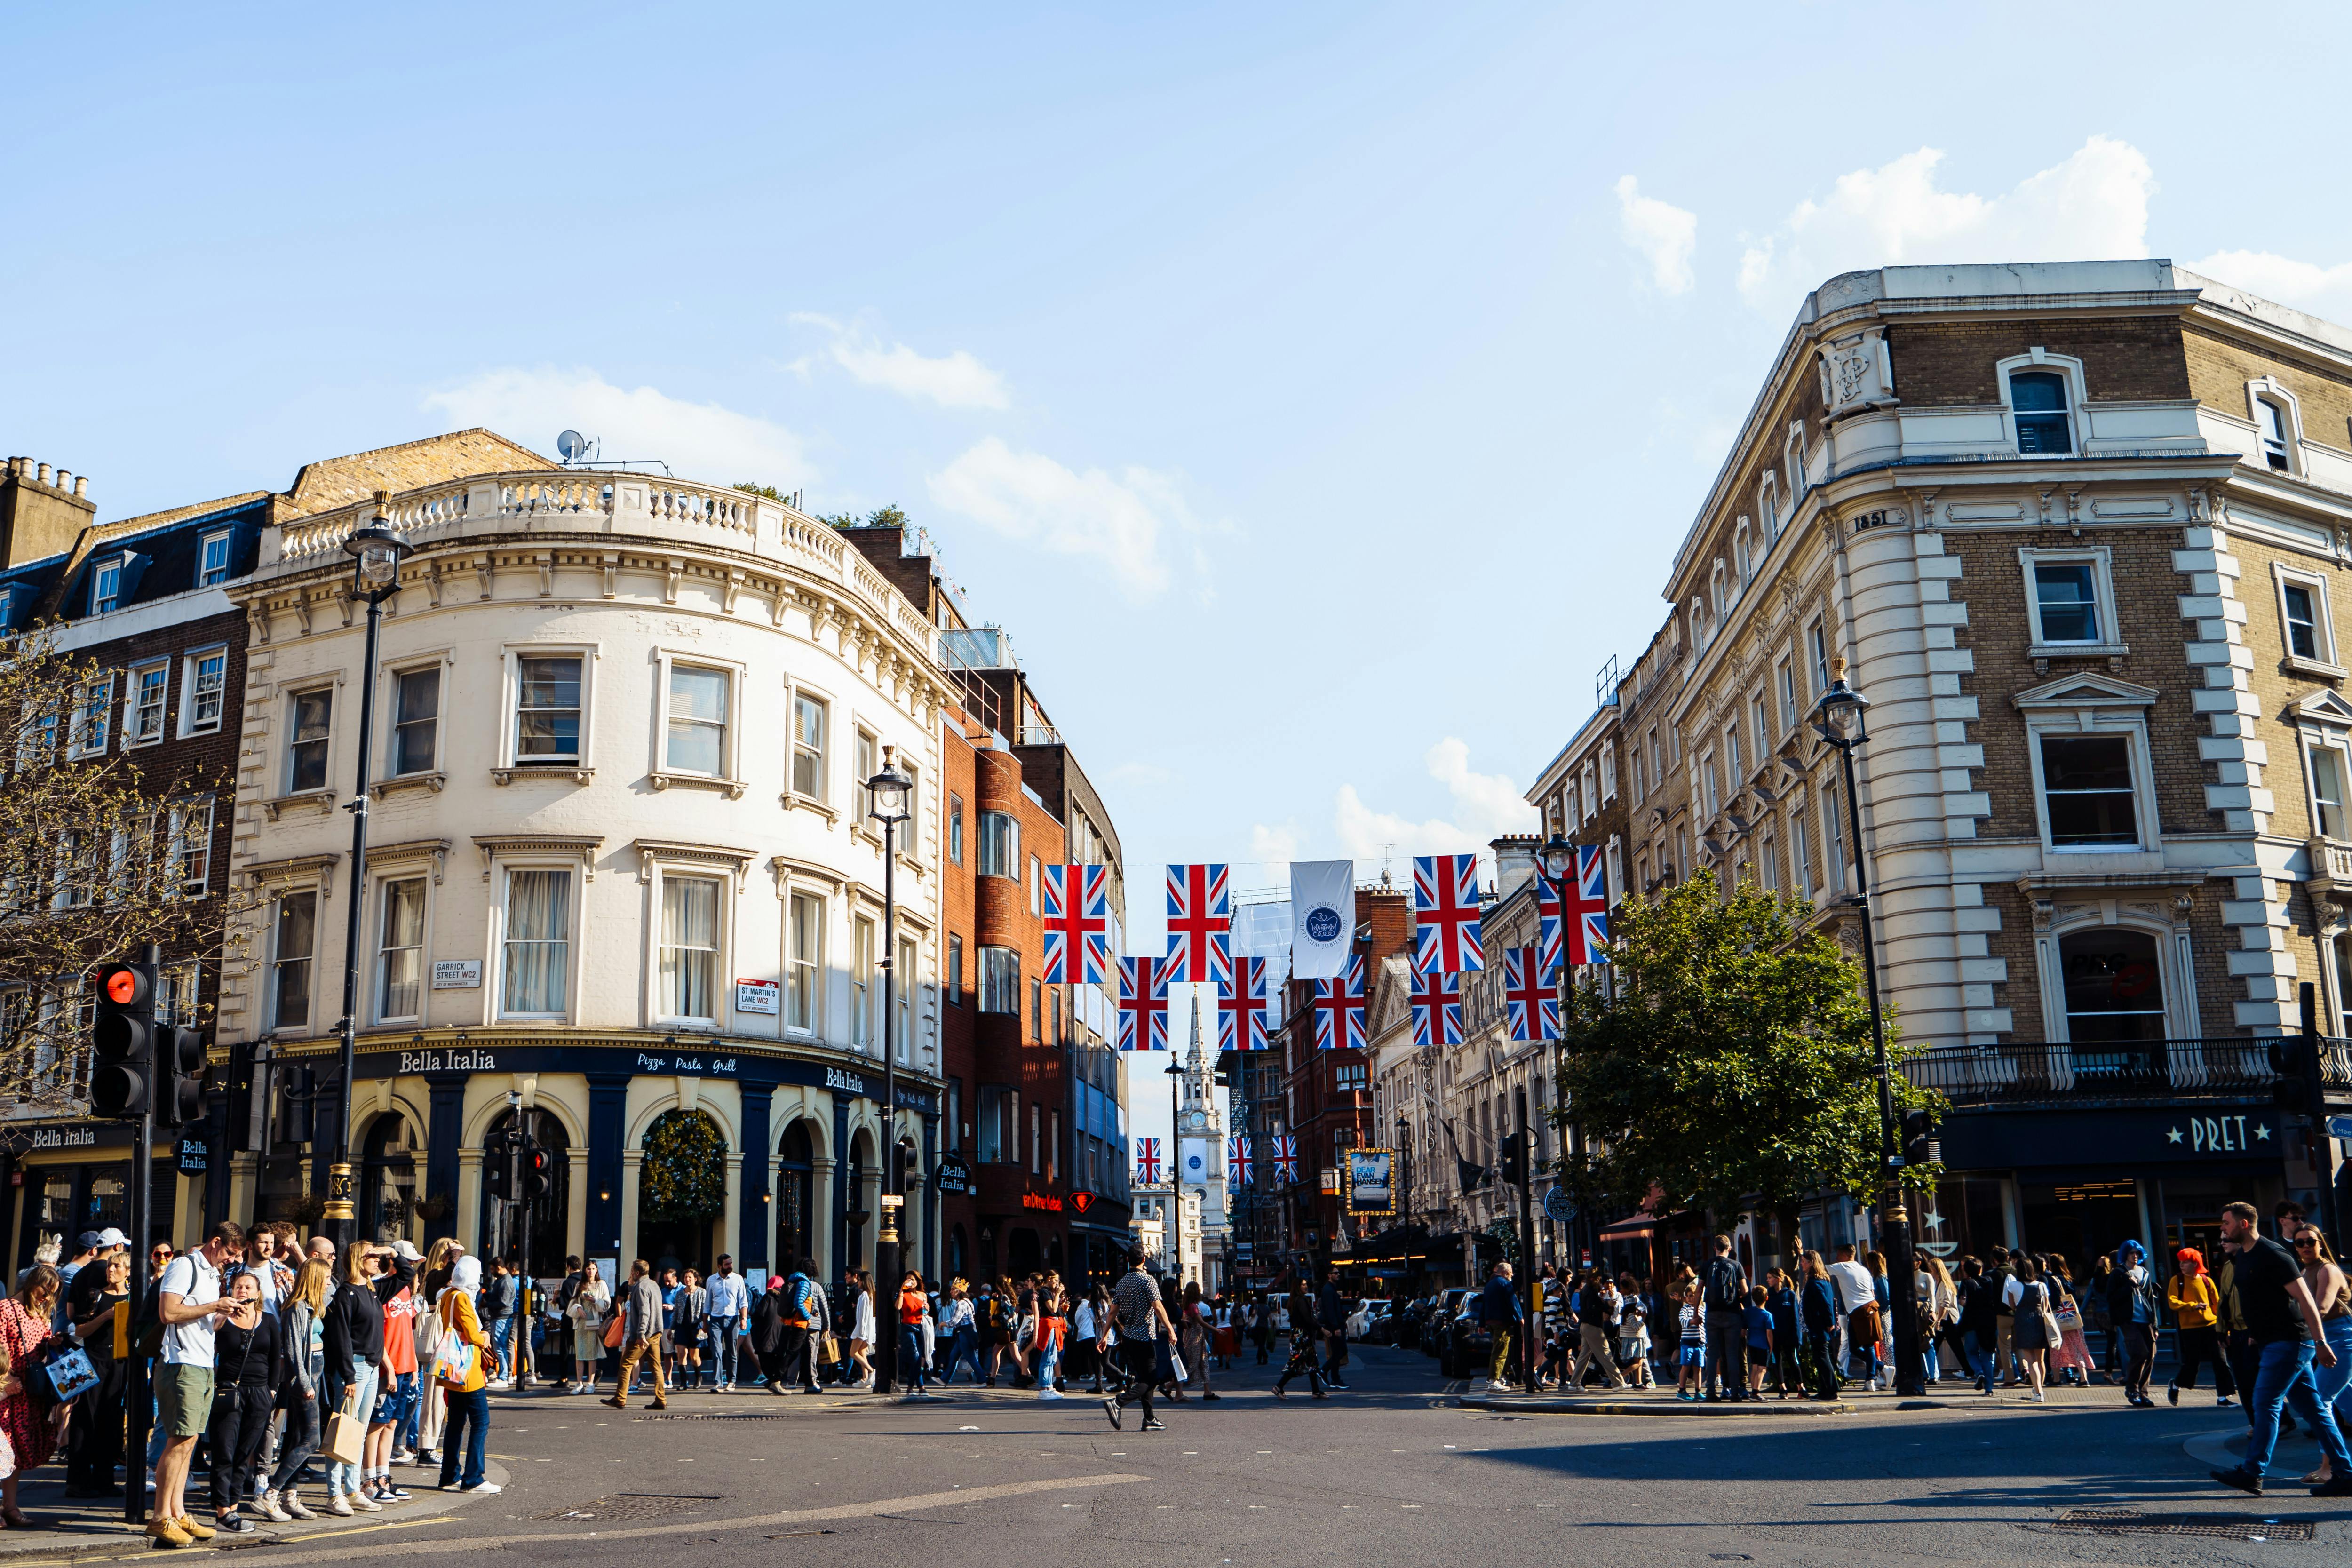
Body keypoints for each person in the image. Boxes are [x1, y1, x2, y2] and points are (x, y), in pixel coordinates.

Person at [2210, 1200, 2352, 1496]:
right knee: (2314, 1410)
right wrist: (2253, 1333)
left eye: (2226, 1223)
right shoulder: (2244, 1257)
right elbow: (2261, 1302)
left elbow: (2307, 1300)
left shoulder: (2274, 1254)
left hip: (2290, 1342)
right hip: (2272, 1341)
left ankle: (2252, 1472)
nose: (2222, 1228)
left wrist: (2321, 1343)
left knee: (2265, 1403)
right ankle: (2345, 1472)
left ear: (2243, 1224)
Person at [150, 1221, 243, 1547]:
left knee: (189, 1442)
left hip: (203, 1363)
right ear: (216, 1242)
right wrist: (215, 1305)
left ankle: (178, 1511)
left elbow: (204, 1321)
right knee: (178, 1441)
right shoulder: (183, 1265)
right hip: (180, 1364)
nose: (231, 1260)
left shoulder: (212, 1274)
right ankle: (161, 1516)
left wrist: (224, 1313)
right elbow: (169, 1312)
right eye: (230, 1252)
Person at [205, 1270, 282, 1533]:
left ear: (258, 1294)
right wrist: (221, 1317)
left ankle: (234, 1508)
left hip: (260, 1393)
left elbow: (276, 1359)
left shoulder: (269, 1321)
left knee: (244, 1454)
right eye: (239, 1286)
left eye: (249, 1287)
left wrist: (272, 1391)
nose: (244, 1291)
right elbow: (207, 1350)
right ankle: (222, 1511)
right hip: (228, 1392)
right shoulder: (220, 1320)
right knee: (224, 1451)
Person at [260, 1258, 331, 1522]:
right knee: (312, 1440)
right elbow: (292, 1351)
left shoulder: (312, 1305)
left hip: (316, 1371)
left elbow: (333, 1289)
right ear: (313, 1279)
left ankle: (290, 1496)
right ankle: (270, 1492)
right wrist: (304, 1383)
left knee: (297, 1437)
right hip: (305, 1376)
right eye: (324, 1278)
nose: (327, 1284)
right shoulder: (297, 1308)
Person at [322, 1242, 388, 1513]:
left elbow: (405, 1274)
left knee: (357, 1433)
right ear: (357, 1260)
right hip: (355, 1368)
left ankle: (352, 1490)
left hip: (371, 1368)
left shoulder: (372, 1290)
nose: (377, 1261)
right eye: (371, 1256)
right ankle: (334, 1493)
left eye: (377, 1256)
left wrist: (388, 1252)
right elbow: (342, 1339)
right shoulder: (345, 1294)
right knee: (342, 1430)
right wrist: (348, 1375)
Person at [0, 1266, 65, 1531]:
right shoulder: (6, 1309)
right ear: (32, 1284)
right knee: (1, 1451)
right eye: (44, 1291)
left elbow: (39, 1347)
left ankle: (11, 1507)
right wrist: (5, 1381)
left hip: (31, 1394)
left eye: (52, 1294)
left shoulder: (41, 1314)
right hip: (9, 1390)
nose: (46, 1298)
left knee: (15, 1454)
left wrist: (52, 1343)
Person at [63, 1247, 130, 1497]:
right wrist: (106, 1317)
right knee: (85, 1418)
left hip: (119, 1363)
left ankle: (105, 1479)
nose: (110, 1271)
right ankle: (77, 1482)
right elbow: (80, 1330)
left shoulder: (133, 1298)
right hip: (93, 1360)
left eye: (117, 1267)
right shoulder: (96, 1295)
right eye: (109, 1266)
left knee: (111, 1419)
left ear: (128, 1273)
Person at [2292, 1226, 2352, 1487]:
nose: (2306, 1246)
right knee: (2348, 1405)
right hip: (2322, 1339)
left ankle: (2329, 1468)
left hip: (2339, 1339)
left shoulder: (2327, 1270)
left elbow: (2322, 1309)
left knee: (2320, 1402)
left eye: (2311, 1241)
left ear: (2320, 1243)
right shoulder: (2304, 1271)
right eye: (2300, 1243)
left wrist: (2287, 1323)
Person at [433, 1257, 497, 1495]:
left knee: (456, 1423)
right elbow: (472, 1333)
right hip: (467, 1370)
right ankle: (473, 1478)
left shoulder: (448, 1295)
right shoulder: (461, 1298)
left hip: (453, 1368)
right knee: (481, 1422)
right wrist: (485, 1338)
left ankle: (449, 1475)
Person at [364, 1244, 419, 1503]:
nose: (414, 1269)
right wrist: (390, 1368)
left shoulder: (406, 1291)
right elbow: (380, 1336)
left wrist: (415, 1365)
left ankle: (384, 1477)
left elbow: (407, 1331)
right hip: (390, 1367)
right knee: (377, 1423)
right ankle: (369, 1479)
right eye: (409, 1262)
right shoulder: (382, 1290)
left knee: (393, 1424)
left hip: (407, 1366)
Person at [1102, 1246, 1176, 1431]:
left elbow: (1113, 1312)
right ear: (1144, 1259)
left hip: (1128, 1338)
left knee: (1144, 1377)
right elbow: (1158, 1307)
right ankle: (1118, 1402)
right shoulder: (1148, 1281)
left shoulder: (1122, 1283)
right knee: (1152, 1379)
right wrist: (1170, 1329)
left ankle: (1149, 1419)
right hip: (1145, 1337)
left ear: (1128, 1260)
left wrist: (1104, 1335)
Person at [2167, 1246, 2235, 1408]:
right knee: (2192, 1363)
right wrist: (2193, 1306)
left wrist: (2226, 1328)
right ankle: (2176, 1385)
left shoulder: (2206, 1280)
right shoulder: (2177, 1280)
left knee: (2221, 1361)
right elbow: (2172, 1302)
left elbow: (2218, 1305)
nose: (2182, 1265)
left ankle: (2223, 1397)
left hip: (2211, 1326)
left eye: (2186, 1262)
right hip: (2190, 1329)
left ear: (2195, 1264)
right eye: (2181, 1262)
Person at [604, 1260, 667, 1410]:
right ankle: (661, 1399)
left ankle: (620, 1398)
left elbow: (645, 1313)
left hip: (643, 1334)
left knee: (626, 1364)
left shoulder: (641, 1288)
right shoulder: (654, 1285)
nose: (631, 1272)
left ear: (637, 1273)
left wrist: (641, 1334)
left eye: (632, 1270)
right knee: (656, 1367)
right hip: (656, 1331)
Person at [2106, 1240, 2161, 1407]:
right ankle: (2132, 1389)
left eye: (2137, 1253)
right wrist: (2127, 1288)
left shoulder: (2144, 1273)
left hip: (2146, 1320)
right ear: (2125, 1255)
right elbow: (2111, 1298)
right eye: (2132, 1253)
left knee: (2151, 1355)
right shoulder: (2119, 1273)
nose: (2135, 1256)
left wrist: (2156, 1325)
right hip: (2129, 1321)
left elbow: (2151, 1299)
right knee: (2140, 1353)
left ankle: (2143, 1392)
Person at [1700, 1236, 1750, 1401]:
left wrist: (1696, 1315)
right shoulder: (1736, 1266)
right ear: (1729, 1248)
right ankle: (1735, 1393)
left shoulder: (1707, 1265)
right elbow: (1744, 1291)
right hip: (1732, 1314)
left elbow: (1699, 1290)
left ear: (1715, 1248)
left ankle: (1710, 1392)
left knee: (1713, 1354)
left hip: (1712, 1314)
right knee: (1732, 1354)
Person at [1826, 1243, 1877, 1389]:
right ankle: (1878, 1370)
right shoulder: (1864, 1270)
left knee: (1866, 1347)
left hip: (1858, 1311)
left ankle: (1871, 1380)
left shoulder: (1843, 1267)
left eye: (1838, 1255)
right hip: (1869, 1308)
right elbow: (1872, 1292)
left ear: (1845, 1256)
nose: (1836, 1258)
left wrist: (1801, 1255)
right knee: (1859, 1347)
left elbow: (1821, 1269)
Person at [2004, 1254, 2052, 1403]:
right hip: (2039, 1321)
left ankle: (2038, 1393)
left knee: (2030, 1361)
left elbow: (2013, 1306)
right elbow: (2045, 1307)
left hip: (2023, 1321)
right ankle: (2040, 1389)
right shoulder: (2041, 1285)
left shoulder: (2013, 1286)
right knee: (2040, 1360)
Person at [1271, 1275, 1328, 1400]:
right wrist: (1321, 1329)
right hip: (1301, 1336)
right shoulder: (1301, 1301)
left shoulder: (1295, 1300)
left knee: (1313, 1362)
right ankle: (1279, 1387)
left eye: (1306, 1284)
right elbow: (1307, 1319)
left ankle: (1316, 1391)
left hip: (1300, 1335)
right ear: (1298, 1287)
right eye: (1303, 1285)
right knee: (1296, 1362)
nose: (1306, 1286)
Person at [1570, 1271, 1626, 1390]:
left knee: (1583, 1357)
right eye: (1599, 1279)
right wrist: (1607, 1305)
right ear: (1594, 1279)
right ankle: (1619, 1383)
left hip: (1585, 1326)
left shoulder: (1585, 1290)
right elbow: (1593, 1308)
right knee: (1606, 1354)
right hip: (1593, 1327)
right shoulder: (1592, 1292)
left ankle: (1574, 1384)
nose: (1601, 1282)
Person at [1799, 1252, 1840, 1401]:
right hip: (1819, 1326)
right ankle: (1824, 1390)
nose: (1801, 1264)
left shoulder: (1814, 1283)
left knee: (1822, 1358)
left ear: (1811, 1263)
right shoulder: (1824, 1281)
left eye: (1804, 1261)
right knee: (1820, 1358)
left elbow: (1825, 1305)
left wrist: (1829, 1323)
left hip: (1818, 1327)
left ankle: (1832, 1390)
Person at [566, 1261, 612, 1393]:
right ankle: (579, 1383)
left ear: (597, 1270)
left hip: (593, 1322)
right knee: (580, 1354)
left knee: (592, 1354)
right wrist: (578, 1308)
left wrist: (595, 1301)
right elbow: (573, 1302)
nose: (591, 1271)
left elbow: (607, 1303)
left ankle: (590, 1383)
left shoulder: (601, 1284)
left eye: (593, 1269)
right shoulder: (580, 1285)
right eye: (588, 1269)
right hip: (581, 1322)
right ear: (585, 1270)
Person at [702, 1256, 746, 1393]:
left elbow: (743, 1301)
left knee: (732, 1351)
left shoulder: (738, 1279)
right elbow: (707, 1303)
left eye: (731, 1263)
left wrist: (744, 1318)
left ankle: (731, 1381)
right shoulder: (711, 1280)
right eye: (727, 1264)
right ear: (719, 1266)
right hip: (715, 1319)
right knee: (716, 1351)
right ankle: (718, 1383)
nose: (730, 1266)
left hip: (733, 1318)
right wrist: (705, 1323)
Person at [1479, 1259, 1522, 1393]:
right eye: (1510, 1273)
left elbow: (1483, 1305)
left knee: (1499, 1350)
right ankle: (1494, 1381)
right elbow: (1513, 1303)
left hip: (1490, 1323)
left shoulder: (1489, 1285)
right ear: (1504, 1272)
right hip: (1502, 1323)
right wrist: (1520, 1318)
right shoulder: (1505, 1284)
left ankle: (1501, 1378)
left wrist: (1481, 1324)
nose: (1512, 1275)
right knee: (1500, 1352)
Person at [1178, 1281, 1216, 1401]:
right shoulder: (1193, 1307)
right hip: (1194, 1338)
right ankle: (1171, 1385)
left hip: (1195, 1337)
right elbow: (1201, 1322)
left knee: (1203, 1363)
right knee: (1192, 1364)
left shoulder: (1187, 1306)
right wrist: (1217, 1330)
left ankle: (1207, 1391)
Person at [1032, 1278, 1067, 1401]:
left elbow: (1055, 1309)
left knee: (1052, 1357)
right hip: (1048, 1325)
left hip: (1053, 1324)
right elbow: (1053, 1309)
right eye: (1056, 1280)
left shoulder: (1048, 1292)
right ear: (1049, 1279)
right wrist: (1057, 1294)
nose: (1057, 1283)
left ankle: (1049, 1386)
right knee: (1047, 1357)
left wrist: (1060, 1300)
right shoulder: (1044, 1292)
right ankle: (1044, 1388)